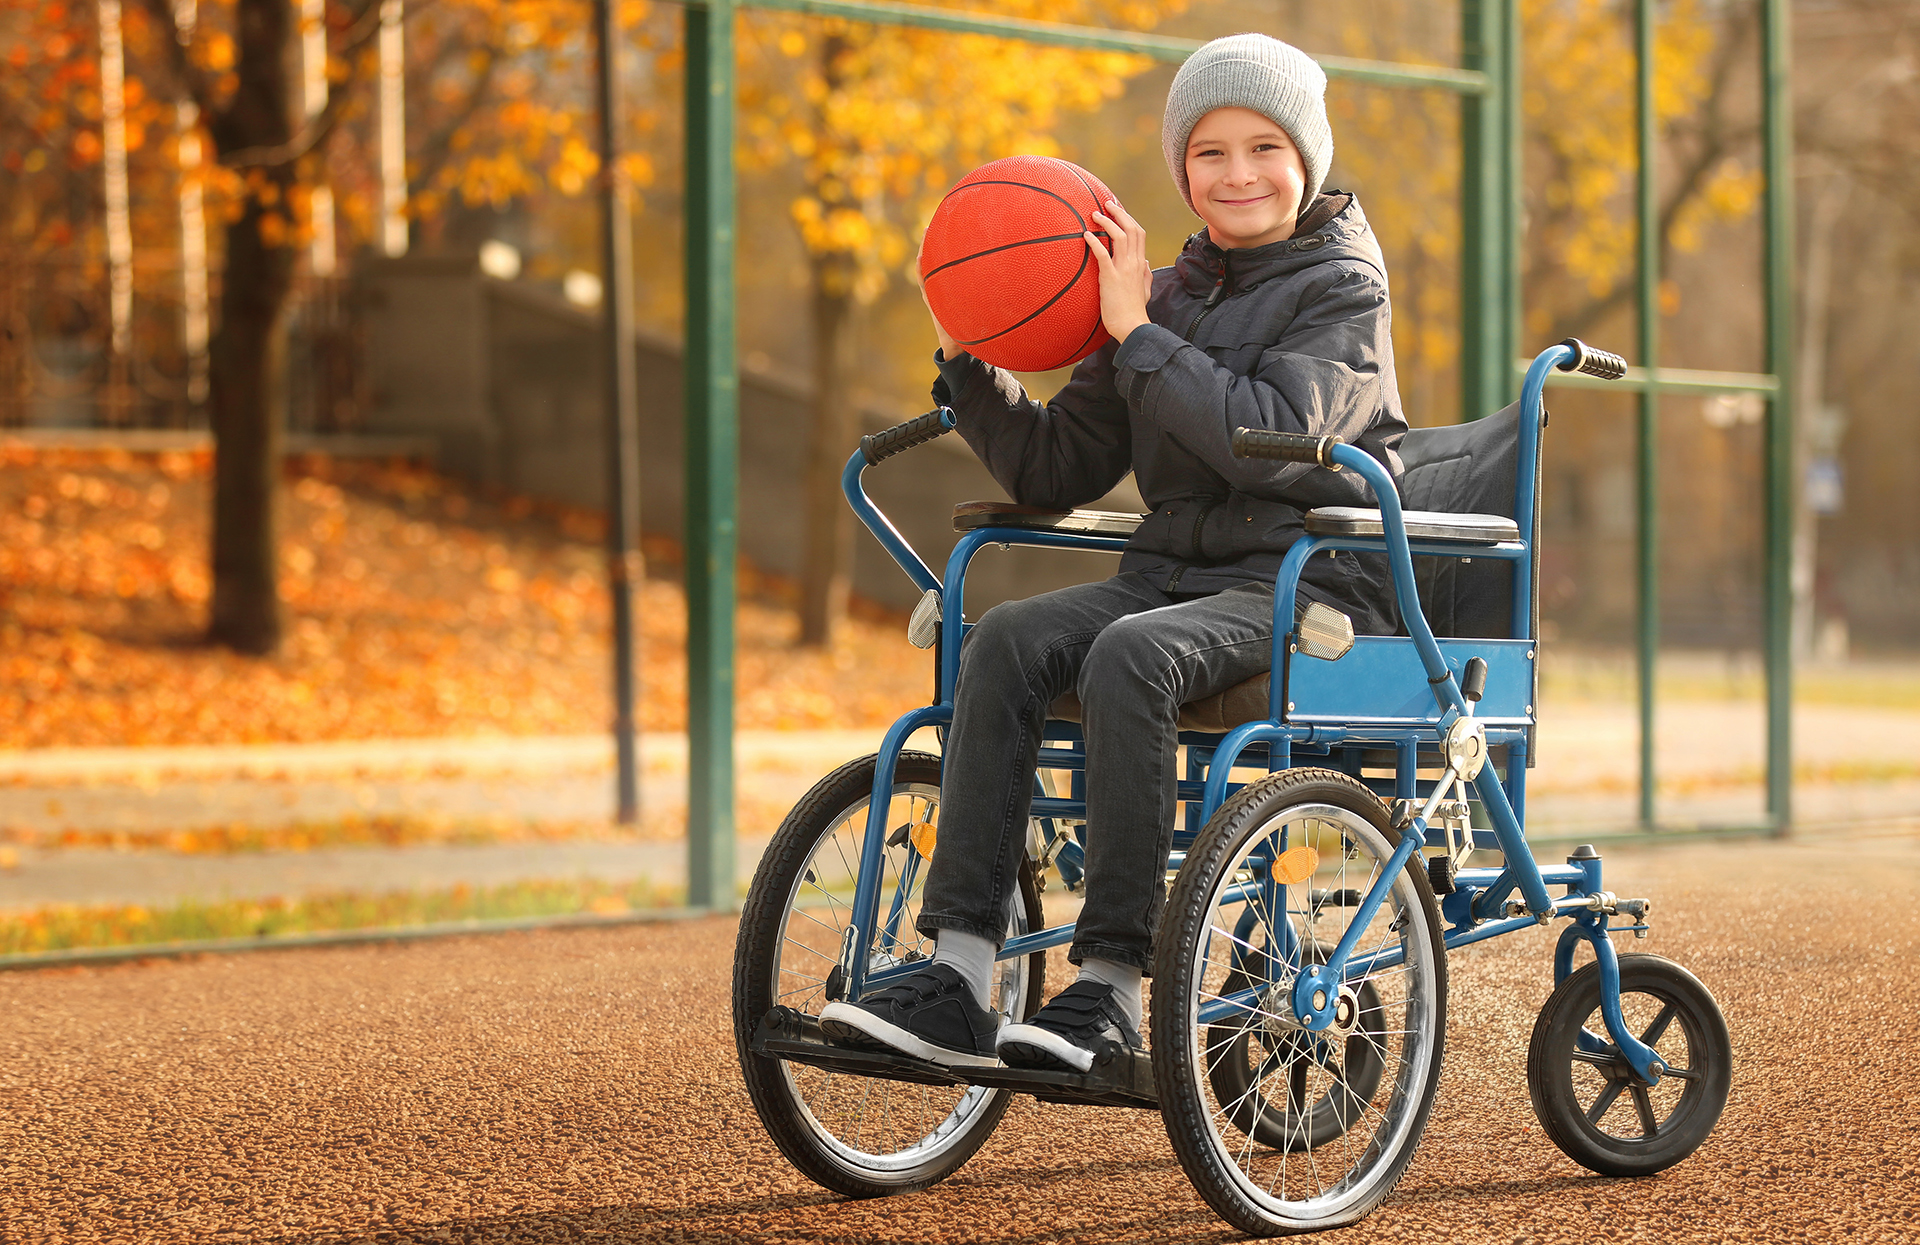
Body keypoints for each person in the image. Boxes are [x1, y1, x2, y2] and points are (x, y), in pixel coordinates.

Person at [819, 32, 1408, 1074]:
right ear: (1182, 167)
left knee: (1132, 653)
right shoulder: (1165, 292)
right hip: (1171, 575)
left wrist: (1134, 332)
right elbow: (1056, 466)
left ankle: (1112, 989)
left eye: (1263, 148)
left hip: (1301, 580)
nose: (1237, 175)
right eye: (1210, 153)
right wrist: (967, 357)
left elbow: (1263, 438)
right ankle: (961, 975)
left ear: (1306, 159)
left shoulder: (1345, 290)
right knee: (1005, 635)